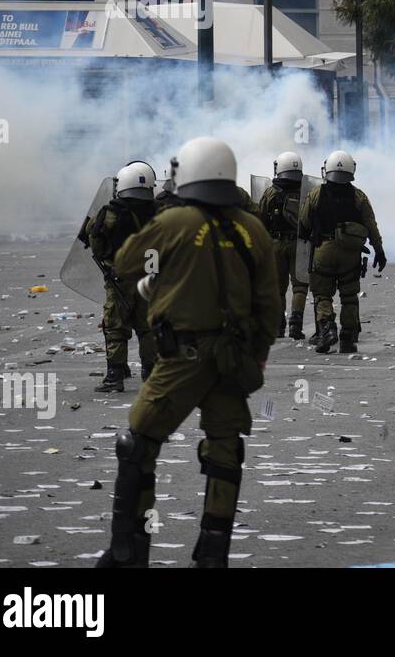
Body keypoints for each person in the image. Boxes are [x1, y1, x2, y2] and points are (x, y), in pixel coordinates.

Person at [96, 137, 280, 568]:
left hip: (182, 358)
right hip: (233, 358)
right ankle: (213, 554)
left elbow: (125, 263)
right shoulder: (252, 228)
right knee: (224, 450)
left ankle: (129, 550)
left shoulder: (175, 221)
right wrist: (257, 354)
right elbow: (269, 304)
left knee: (138, 445)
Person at [299, 150, 386, 354]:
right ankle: (348, 338)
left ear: (326, 169)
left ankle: (327, 329)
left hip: (324, 251)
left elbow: (303, 224)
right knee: (349, 296)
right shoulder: (359, 196)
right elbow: (371, 226)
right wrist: (379, 250)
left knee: (322, 295)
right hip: (350, 253)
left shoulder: (315, 194)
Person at [85, 161, 158, 392]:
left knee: (116, 327)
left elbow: (96, 243)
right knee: (147, 327)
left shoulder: (110, 214)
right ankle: (151, 371)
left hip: (120, 278)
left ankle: (115, 376)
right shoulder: (159, 211)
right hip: (149, 277)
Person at [258, 151, 309, 341]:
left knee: (277, 288)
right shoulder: (307, 190)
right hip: (300, 244)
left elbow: (260, 218)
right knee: (300, 286)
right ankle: (296, 323)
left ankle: (279, 326)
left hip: (276, 244)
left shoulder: (271, 192)